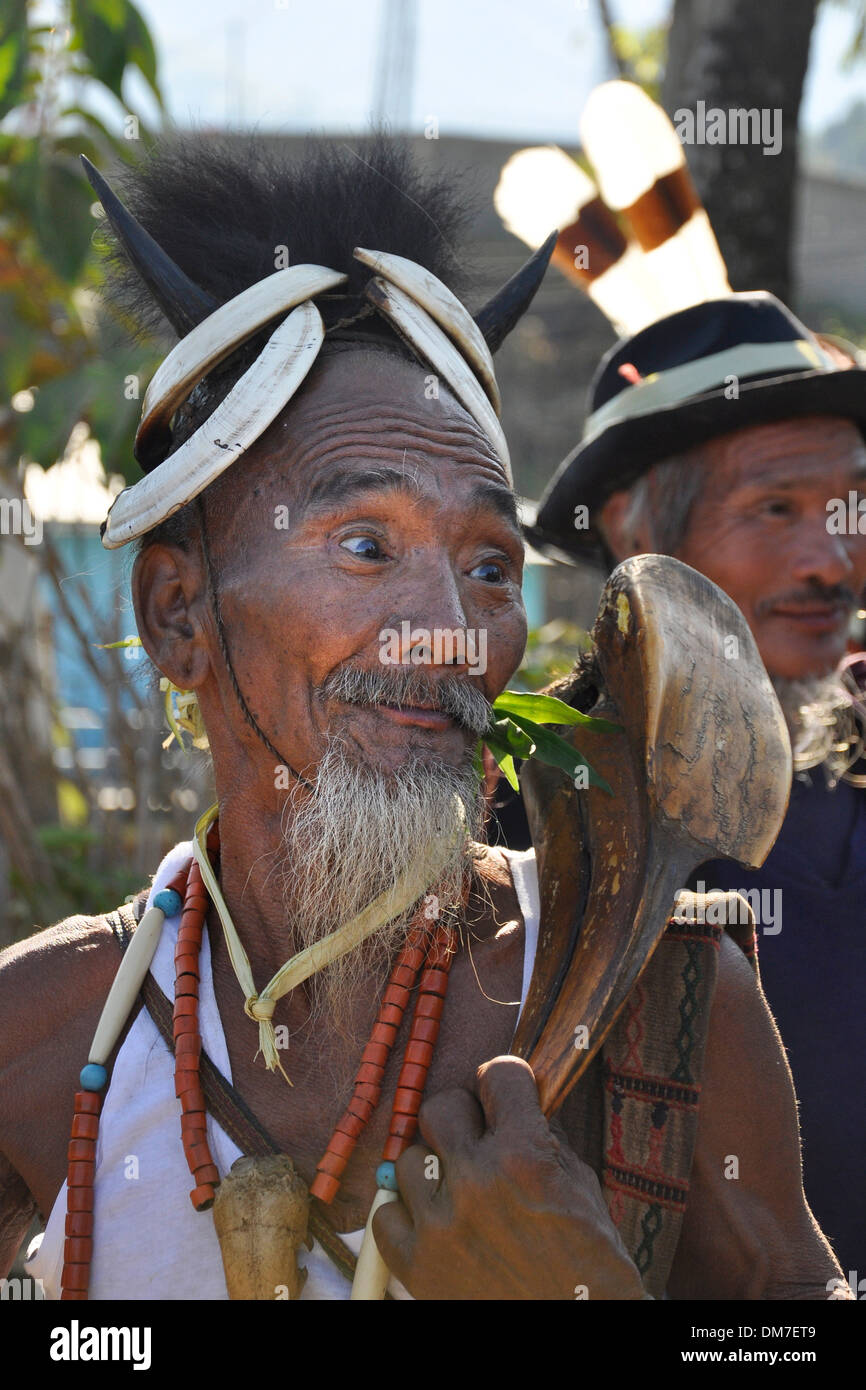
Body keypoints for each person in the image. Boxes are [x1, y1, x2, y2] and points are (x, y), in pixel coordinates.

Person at [0, 139, 845, 1301]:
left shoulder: (665, 994)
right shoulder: (43, 1035)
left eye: (489, 566)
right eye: (365, 547)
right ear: (178, 613)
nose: (451, 630)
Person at [529, 292, 866, 1282]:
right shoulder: (528, 819)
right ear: (636, 532)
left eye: (850, 506)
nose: (830, 562)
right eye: (773, 508)